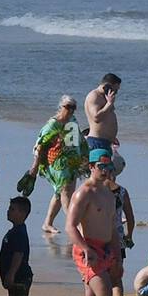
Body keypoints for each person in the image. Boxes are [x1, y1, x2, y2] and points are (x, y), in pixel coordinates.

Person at [68, 149, 120, 296]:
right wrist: (86, 249)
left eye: (108, 166)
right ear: (91, 167)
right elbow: (70, 226)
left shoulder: (109, 193)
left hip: (106, 250)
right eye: (101, 166)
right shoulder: (84, 192)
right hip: (87, 249)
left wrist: (117, 255)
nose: (105, 170)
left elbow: (113, 228)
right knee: (104, 295)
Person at [28, 95, 86, 234]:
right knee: (66, 193)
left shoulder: (72, 121)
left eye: (73, 108)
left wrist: (84, 158)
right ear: (61, 107)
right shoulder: (52, 125)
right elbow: (40, 145)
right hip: (56, 163)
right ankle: (76, 227)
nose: (71, 110)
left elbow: (77, 141)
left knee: (62, 193)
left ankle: (47, 223)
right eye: (68, 107)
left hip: (71, 163)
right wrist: (35, 166)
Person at [104, 154, 134, 296]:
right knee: (116, 278)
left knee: (98, 276)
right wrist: (129, 235)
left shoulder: (96, 189)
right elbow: (130, 218)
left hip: (98, 239)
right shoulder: (122, 191)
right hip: (118, 240)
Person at [0, 196, 33, 296]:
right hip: (16, 275)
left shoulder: (19, 233)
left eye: (12, 209)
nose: (8, 211)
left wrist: (11, 273)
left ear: (22, 213)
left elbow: (18, 255)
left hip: (20, 276)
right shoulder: (14, 231)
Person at [84, 73, 121, 152]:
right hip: (97, 141)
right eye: (116, 89)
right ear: (108, 86)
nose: (116, 93)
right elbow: (96, 117)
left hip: (107, 143)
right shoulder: (94, 96)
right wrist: (109, 104)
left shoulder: (105, 97)